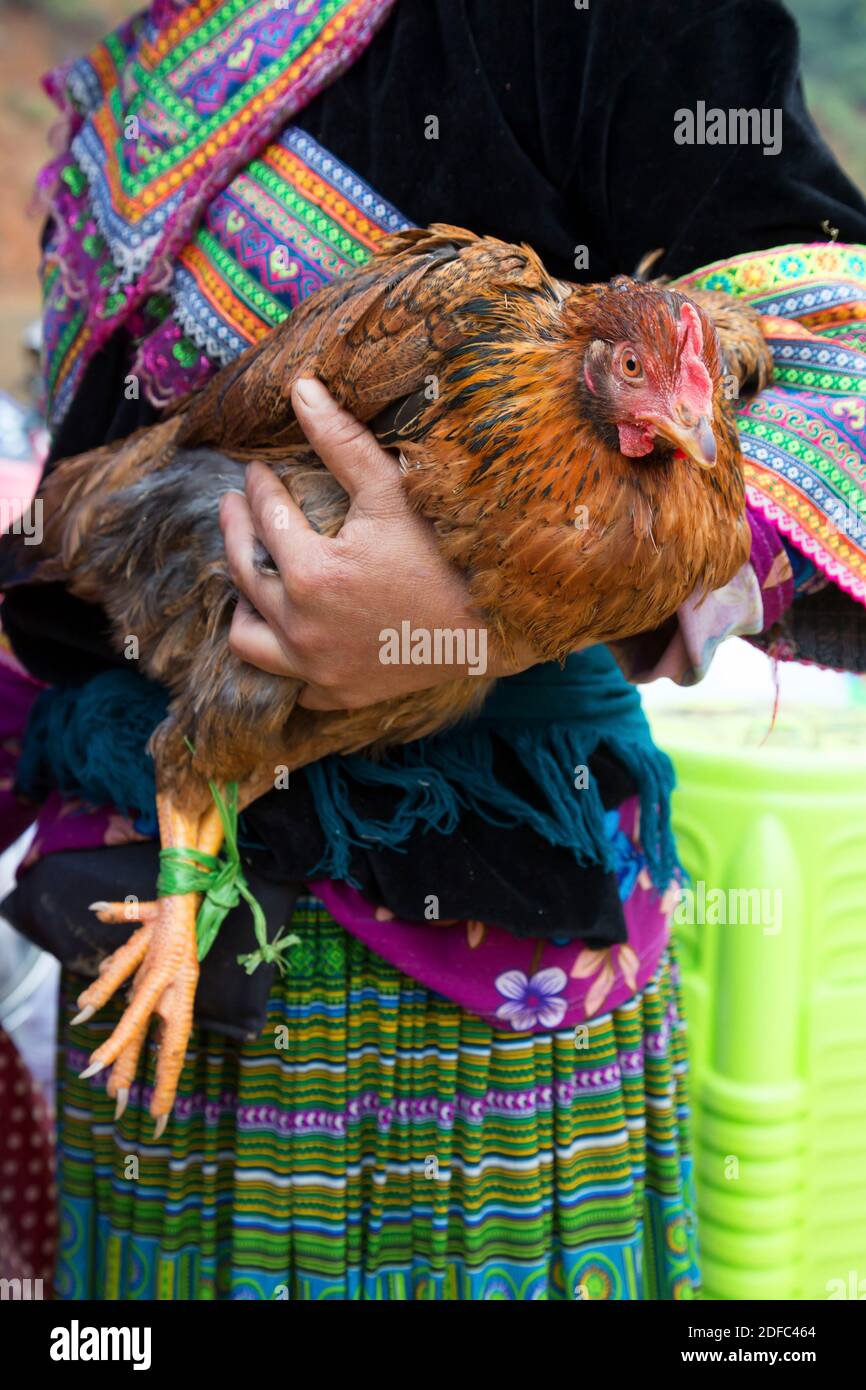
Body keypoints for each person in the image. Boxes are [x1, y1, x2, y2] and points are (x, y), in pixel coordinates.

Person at [1, 0, 866, 1300]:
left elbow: (837, 373)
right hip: (144, 887)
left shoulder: (618, 28)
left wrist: (476, 609)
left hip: (460, 950)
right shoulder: (186, 31)